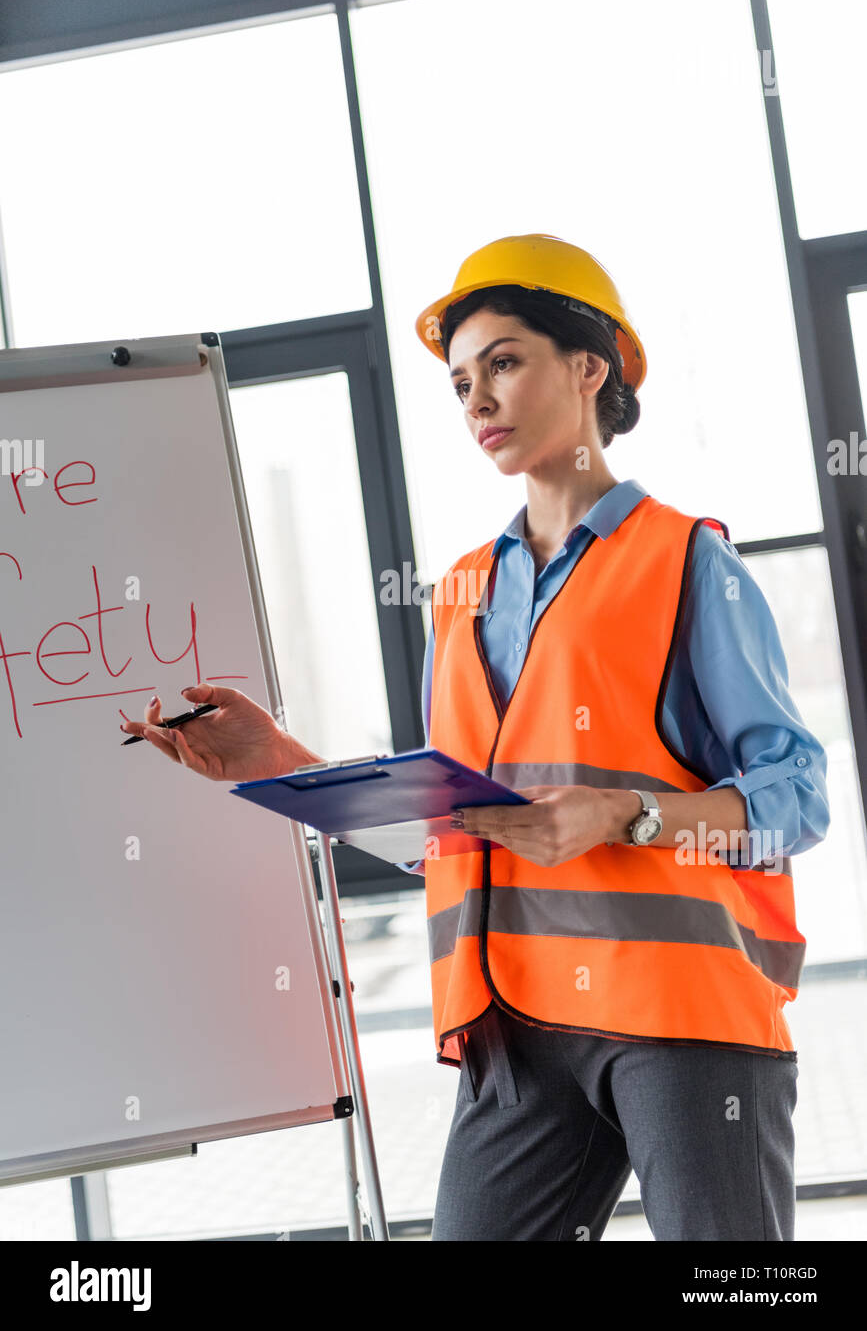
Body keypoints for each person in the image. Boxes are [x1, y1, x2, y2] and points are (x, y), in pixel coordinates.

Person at [122, 232, 830, 1243]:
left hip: (684, 1017)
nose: (478, 402)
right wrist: (281, 762)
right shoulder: (459, 594)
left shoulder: (688, 564)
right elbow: (452, 825)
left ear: (589, 367)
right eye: (460, 383)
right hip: (515, 1028)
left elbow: (798, 798)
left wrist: (627, 815)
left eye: (503, 362)